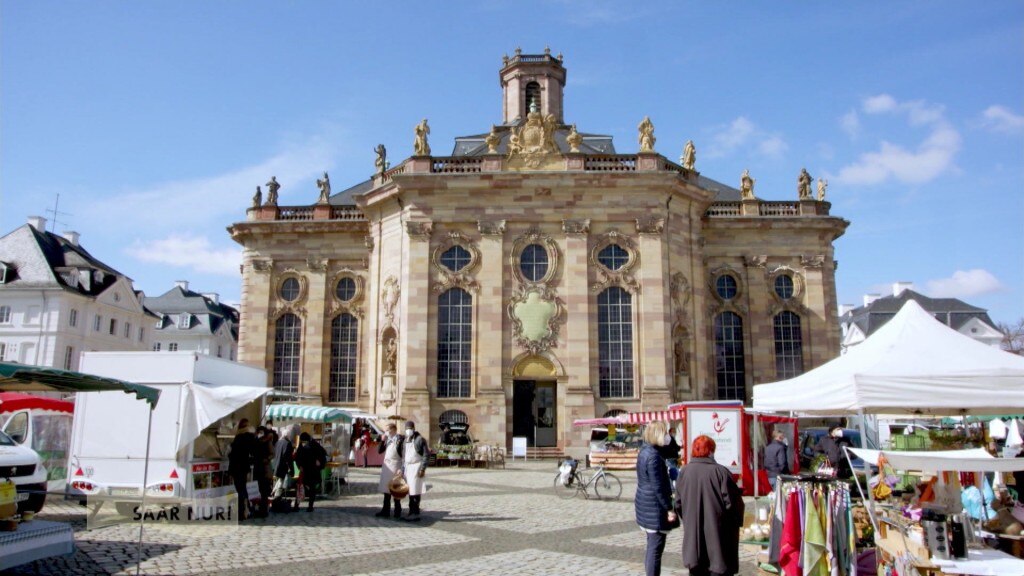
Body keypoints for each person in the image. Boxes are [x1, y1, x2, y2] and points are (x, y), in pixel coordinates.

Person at [675, 435, 745, 576]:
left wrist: (690, 519)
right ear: (711, 451)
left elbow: (678, 503)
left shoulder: (684, 472)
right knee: (717, 567)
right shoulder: (721, 472)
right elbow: (733, 505)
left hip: (694, 538)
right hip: (718, 537)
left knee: (697, 569)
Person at [636, 421, 678, 576]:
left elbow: (673, 450)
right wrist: (669, 508)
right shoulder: (653, 456)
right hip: (653, 507)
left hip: (645, 504)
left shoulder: (646, 451)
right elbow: (658, 486)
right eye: (666, 433)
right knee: (655, 549)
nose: (668, 436)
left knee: (652, 547)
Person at [228, 418, 258, 521]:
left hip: (236, 467)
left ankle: (242, 511)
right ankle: (245, 509)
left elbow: (233, 454)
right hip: (244, 467)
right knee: (243, 488)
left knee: (240, 489)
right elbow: (254, 452)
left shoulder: (239, 438)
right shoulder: (250, 437)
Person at [376, 422, 405, 518]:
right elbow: (379, 451)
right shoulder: (387, 439)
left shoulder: (400, 439)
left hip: (396, 465)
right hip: (387, 466)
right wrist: (382, 441)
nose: (386, 431)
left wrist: (402, 468)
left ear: (394, 429)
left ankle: (397, 510)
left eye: (388, 430)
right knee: (386, 490)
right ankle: (385, 510)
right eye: (386, 430)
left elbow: (403, 455)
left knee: (395, 489)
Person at [402, 420, 429, 521]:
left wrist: (422, 468)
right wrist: (402, 469)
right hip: (408, 467)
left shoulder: (420, 439)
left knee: (415, 490)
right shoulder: (406, 440)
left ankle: (415, 511)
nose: (408, 431)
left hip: (416, 466)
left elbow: (426, 455)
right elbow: (404, 456)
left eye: (410, 428)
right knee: (410, 490)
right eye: (407, 429)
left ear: (413, 429)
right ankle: (411, 511)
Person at [293, 432, 327, 512]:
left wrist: (320, 462)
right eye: (302, 441)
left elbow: (323, 454)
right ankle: (296, 505)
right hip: (304, 470)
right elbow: (297, 457)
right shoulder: (301, 446)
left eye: (305, 441)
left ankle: (310, 506)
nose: (303, 443)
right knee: (300, 487)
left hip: (313, 470)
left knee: (312, 489)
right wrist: (299, 466)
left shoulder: (315, 445)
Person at [253, 426, 275, 518]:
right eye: (258, 432)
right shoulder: (256, 441)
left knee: (264, 491)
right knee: (259, 490)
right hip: (257, 467)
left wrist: (267, 459)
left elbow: (272, 454)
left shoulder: (267, 442)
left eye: (261, 432)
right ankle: (260, 509)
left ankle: (264, 510)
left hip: (265, 469)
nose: (259, 434)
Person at [272, 425, 297, 503]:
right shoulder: (287, 443)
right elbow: (288, 458)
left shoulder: (278, 442)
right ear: (288, 435)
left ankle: (274, 495)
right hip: (282, 467)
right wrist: (292, 470)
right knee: (280, 484)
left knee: (278, 482)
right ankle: (276, 498)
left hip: (275, 466)